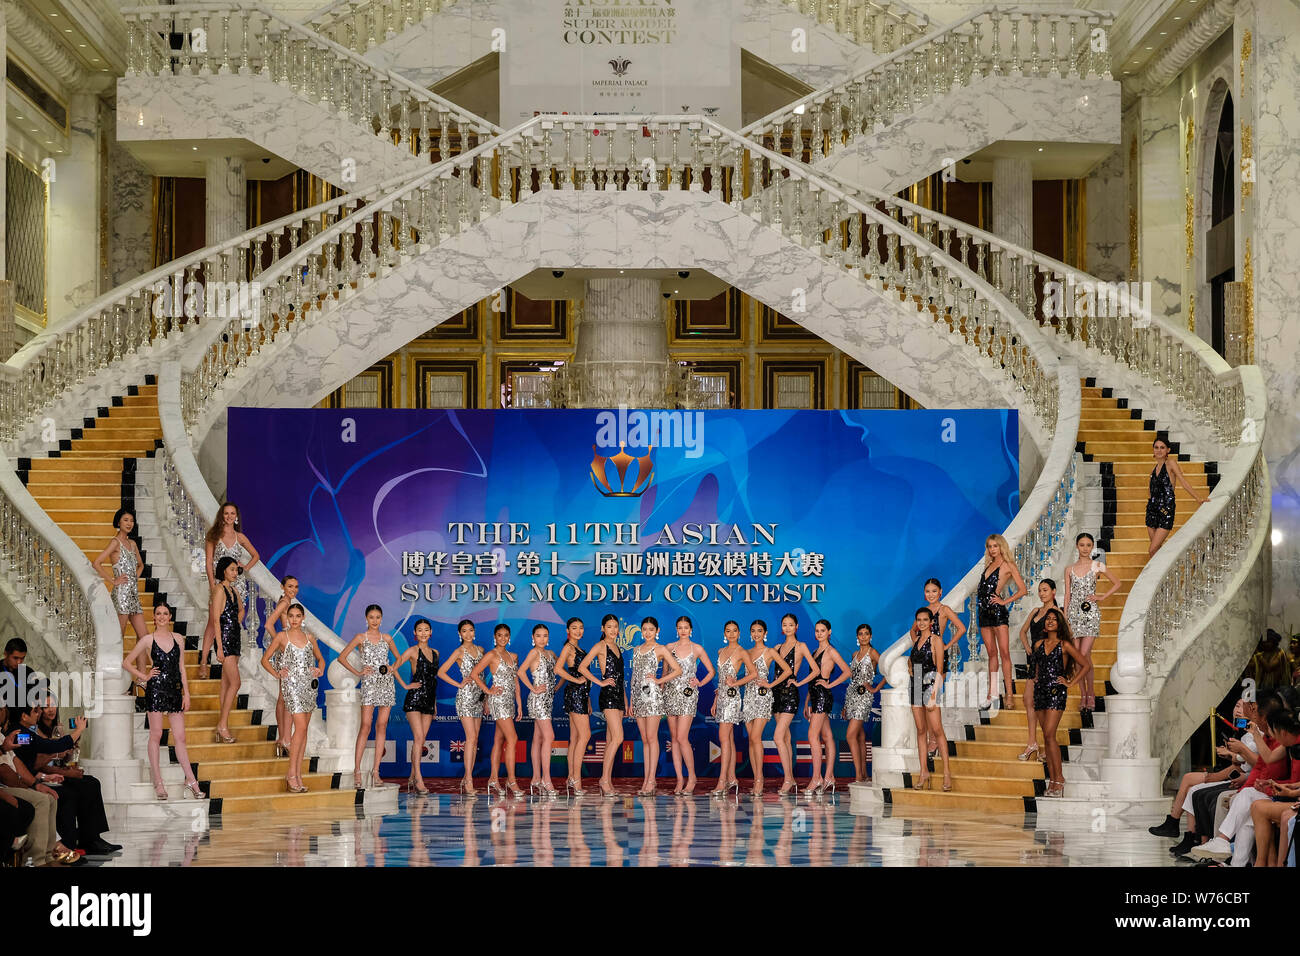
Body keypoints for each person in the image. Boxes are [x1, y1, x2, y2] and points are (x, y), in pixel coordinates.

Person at [7, 703, 119, 857]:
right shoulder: (20, 734)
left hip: (34, 776)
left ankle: (90, 838)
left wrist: (52, 772)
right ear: (23, 716)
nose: (38, 713)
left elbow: (31, 758)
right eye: (35, 710)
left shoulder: (24, 731)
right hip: (24, 781)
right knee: (67, 794)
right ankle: (67, 845)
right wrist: (78, 730)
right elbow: (48, 747)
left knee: (90, 783)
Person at [122, 602, 204, 801]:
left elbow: (182, 667)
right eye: (158, 613)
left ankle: (191, 780)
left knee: (180, 737)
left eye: (165, 613)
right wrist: (144, 676)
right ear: (154, 617)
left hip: (175, 691)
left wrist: (187, 693)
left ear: (170, 617)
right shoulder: (147, 640)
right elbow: (126, 662)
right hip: (156, 690)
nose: (161, 616)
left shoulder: (178, 638)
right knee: (156, 734)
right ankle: (158, 781)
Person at [338, 604, 405, 789]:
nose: (374, 620)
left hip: (386, 685)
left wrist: (393, 668)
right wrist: (358, 672)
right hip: (369, 685)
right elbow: (341, 657)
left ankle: (376, 771)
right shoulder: (361, 637)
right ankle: (357, 770)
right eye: (371, 617)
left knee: (382, 725)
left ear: (381, 619)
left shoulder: (387, 638)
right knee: (366, 726)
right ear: (366, 619)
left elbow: (399, 658)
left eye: (377, 617)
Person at [261, 603, 325, 793]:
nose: (295, 619)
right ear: (287, 618)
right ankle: (290, 774)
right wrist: (277, 673)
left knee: (303, 732)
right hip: (292, 687)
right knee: (302, 727)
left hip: (309, 687)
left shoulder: (309, 637)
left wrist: (319, 669)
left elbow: (320, 659)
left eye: (298, 616)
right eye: (292, 616)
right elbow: (265, 659)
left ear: (303, 618)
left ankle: (298, 774)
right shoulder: (282, 637)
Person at [1028, 609, 1089, 797]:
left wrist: (1070, 682)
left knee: (1049, 734)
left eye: (1054, 619)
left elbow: (1085, 665)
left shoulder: (1065, 645)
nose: (1050, 622)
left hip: (1056, 692)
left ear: (1059, 624)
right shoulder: (1038, 644)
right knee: (1046, 738)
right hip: (1040, 692)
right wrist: (1035, 679)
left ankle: (1059, 779)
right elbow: (1034, 668)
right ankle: (1053, 780)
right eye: (1048, 619)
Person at [1062, 533, 1120, 716]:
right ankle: (1084, 694)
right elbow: (1067, 595)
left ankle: (1091, 693)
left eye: (1088, 545)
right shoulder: (1069, 568)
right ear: (1077, 546)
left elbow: (1117, 583)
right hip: (1073, 615)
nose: (1085, 548)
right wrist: (1065, 617)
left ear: (1092, 547)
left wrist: (1101, 596)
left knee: (1083, 654)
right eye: (1082, 544)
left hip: (1091, 614)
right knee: (1079, 658)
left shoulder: (1097, 565)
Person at [627, 616, 682, 796]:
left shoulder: (660, 649)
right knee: (644, 740)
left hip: (652, 698)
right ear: (641, 631)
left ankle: (652, 779)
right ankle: (646, 779)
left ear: (657, 631)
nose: (647, 632)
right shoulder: (636, 649)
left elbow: (677, 670)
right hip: (638, 698)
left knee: (652, 738)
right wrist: (631, 701)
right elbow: (634, 676)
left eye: (651, 629)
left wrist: (659, 680)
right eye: (644, 629)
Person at [663, 615, 715, 795]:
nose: (683, 630)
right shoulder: (669, 648)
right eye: (680, 627)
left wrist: (699, 683)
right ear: (676, 629)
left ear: (691, 629)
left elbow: (711, 671)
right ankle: (679, 780)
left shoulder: (697, 648)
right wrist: (662, 690)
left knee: (682, 737)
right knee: (674, 738)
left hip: (687, 696)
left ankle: (692, 777)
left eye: (686, 627)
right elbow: (665, 672)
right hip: (670, 694)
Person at [470, 623, 524, 797]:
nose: (502, 638)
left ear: (509, 637)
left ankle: (493, 778)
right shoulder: (491, 655)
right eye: (499, 635)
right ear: (495, 637)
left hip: (509, 701)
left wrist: (519, 703)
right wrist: (488, 692)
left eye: (506, 635)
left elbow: (515, 681)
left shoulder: (513, 656)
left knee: (499, 740)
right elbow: (474, 674)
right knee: (513, 738)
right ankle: (511, 780)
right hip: (498, 700)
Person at [203, 502, 261, 660]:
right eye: (226, 513)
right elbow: (209, 562)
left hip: (238, 586)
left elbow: (256, 555)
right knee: (212, 622)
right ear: (222, 515)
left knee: (233, 622)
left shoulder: (240, 537)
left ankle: (228, 656)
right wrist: (212, 584)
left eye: (232, 513)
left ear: (236, 517)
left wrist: (245, 567)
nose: (229, 516)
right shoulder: (214, 535)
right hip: (219, 584)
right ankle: (204, 660)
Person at [976, 533, 1027, 709]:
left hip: (998, 613)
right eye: (989, 546)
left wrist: (1004, 601)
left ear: (1001, 547)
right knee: (991, 654)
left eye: (995, 546)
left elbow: (1022, 589)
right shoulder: (988, 565)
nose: (992, 549)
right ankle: (992, 694)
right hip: (983, 612)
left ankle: (1010, 695)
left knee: (1004, 653)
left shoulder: (1008, 565)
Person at [579, 614, 627, 798]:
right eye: (609, 627)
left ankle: (606, 779)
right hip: (608, 697)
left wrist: (626, 701)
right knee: (618, 737)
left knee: (610, 741)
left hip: (619, 698)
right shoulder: (600, 646)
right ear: (602, 628)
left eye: (616, 626)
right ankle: (603, 780)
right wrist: (600, 683)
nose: (613, 630)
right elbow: (583, 667)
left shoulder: (617, 647)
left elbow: (620, 678)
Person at [742, 620, 791, 795]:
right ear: (750, 633)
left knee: (756, 737)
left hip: (762, 697)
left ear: (765, 633)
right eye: (753, 631)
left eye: (760, 631)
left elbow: (787, 670)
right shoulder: (746, 652)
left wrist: (771, 685)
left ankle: (759, 781)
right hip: (747, 698)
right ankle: (756, 778)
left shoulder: (770, 651)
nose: (756, 634)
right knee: (751, 740)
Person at [770, 613, 817, 795]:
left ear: (796, 627)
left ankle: (788, 779)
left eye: (791, 624)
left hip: (790, 694)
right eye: (785, 624)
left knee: (778, 736)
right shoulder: (777, 647)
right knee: (786, 739)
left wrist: (798, 682)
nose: (787, 627)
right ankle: (791, 778)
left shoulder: (801, 646)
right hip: (775, 694)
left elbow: (815, 670)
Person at [437, 619, 484, 795]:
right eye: (464, 631)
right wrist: (459, 684)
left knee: (475, 739)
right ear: (460, 634)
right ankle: (469, 780)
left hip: (479, 698)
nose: (468, 634)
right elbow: (441, 672)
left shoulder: (481, 651)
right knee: (470, 738)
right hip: (465, 697)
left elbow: (484, 675)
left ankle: (466, 777)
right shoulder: (459, 651)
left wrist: (485, 698)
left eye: (471, 630)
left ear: (474, 631)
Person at [1016, 579, 1060, 761]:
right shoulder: (1035, 611)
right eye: (1040, 590)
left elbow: (1065, 636)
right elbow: (1022, 631)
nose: (1042, 593)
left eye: (1045, 590)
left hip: (1046, 662)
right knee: (1028, 700)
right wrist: (1027, 647)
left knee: (1041, 703)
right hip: (1033, 661)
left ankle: (1044, 745)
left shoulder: (1056, 613)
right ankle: (1033, 742)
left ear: (1053, 592)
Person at [805, 619, 850, 794]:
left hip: (823, 696)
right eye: (817, 631)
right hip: (815, 695)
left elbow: (847, 671)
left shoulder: (831, 651)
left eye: (822, 630)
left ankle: (817, 778)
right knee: (827, 735)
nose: (819, 634)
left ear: (829, 632)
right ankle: (829, 777)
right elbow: (812, 678)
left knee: (812, 734)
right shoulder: (815, 651)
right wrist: (808, 699)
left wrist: (829, 685)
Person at [908, 608, 951, 792]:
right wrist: (909, 667)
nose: (922, 623)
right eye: (919, 620)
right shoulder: (916, 640)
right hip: (915, 684)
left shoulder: (936, 641)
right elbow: (912, 662)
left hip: (930, 685)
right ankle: (923, 771)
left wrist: (934, 694)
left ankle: (947, 773)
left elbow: (940, 670)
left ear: (931, 622)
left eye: (925, 620)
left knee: (937, 730)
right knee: (920, 730)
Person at [923, 578, 967, 755]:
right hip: (923, 658)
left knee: (934, 699)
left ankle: (935, 739)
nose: (931, 594)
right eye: (928, 591)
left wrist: (947, 646)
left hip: (938, 657)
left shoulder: (944, 609)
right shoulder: (923, 612)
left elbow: (962, 628)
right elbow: (914, 631)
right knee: (925, 700)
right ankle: (930, 738)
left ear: (940, 592)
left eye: (934, 591)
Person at [395, 618, 438, 794]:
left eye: (426, 629)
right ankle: (419, 779)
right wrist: (406, 686)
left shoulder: (436, 653)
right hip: (414, 699)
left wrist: (434, 704)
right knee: (419, 737)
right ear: (415, 633)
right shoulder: (412, 651)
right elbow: (394, 667)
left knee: (420, 741)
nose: (423, 633)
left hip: (429, 701)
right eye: (419, 630)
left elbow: (433, 680)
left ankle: (412, 776)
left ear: (431, 632)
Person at [1145, 436, 1208, 558]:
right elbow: (1150, 491)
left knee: (1152, 550)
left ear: (1168, 450)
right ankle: (1162, 576)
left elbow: (1183, 482)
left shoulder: (1171, 463)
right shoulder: (1154, 469)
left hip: (1165, 511)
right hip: (1151, 511)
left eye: (1162, 448)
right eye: (1156, 447)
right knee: (1156, 551)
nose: (1159, 450)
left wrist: (1198, 498)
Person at [204, 556, 244, 743]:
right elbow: (215, 620)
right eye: (232, 569)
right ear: (224, 571)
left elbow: (241, 610)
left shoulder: (234, 590)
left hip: (235, 638)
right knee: (236, 683)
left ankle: (222, 724)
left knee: (227, 683)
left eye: (236, 569)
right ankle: (222, 724)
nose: (235, 572)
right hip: (225, 641)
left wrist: (236, 620)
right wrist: (219, 646)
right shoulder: (219, 590)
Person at [711, 621, 753, 796]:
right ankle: (732, 779)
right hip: (721, 698)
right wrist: (715, 701)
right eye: (728, 631)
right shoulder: (721, 651)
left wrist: (736, 683)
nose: (731, 634)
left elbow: (754, 674)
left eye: (734, 631)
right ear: (724, 633)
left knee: (724, 738)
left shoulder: (742, 652)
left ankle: (722, 781)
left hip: (732, 698)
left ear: (739, 633)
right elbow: (720, 680)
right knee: (728, 739)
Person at [93, 508, 147, 641]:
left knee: (144, 637)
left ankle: (140, 663)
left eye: (132, 521)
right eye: (126, 520)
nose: (129, 523)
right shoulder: (115, 543)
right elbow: (96, 563)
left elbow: (141, 565)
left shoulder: (133, 544)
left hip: (133, 595)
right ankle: (116, 663)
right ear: (119, 522)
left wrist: (133, 579)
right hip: (121, 595)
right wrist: (113, 581)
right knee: (119, 637)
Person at [262, 575, 301, 757]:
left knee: (283, 697)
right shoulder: (285, 602)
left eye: (296, 586)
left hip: (289, 654)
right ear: (282, 586)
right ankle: (285, 738)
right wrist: (281, 643)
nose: (293, 589)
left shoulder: (286, 601)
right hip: (288, 655)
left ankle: (283, 737)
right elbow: (269, 623)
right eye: (290, 586)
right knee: (287, 698)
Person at [842, 624, 885, 784]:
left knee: (850, 735)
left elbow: (888, 670)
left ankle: (858, 775)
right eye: (861, 634)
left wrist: (875, 688)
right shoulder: (854, 654)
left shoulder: (873, 653)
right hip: (851, 697)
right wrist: (846, 705)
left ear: (871, 636)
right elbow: (852, 681)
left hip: (864, 697)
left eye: (866, 634)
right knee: (859, 736)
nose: (864, 636)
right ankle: (864, 774)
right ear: (857, 637)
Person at [519, 623, 558, 796]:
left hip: (548, 699)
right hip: (538, 700)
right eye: (538, 635)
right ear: (533, 638)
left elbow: (560, 672)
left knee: (538, 738)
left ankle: (535, 778)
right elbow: (520, 672)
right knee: (549, 736)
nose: (542, 639)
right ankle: (546, 779)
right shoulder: (533, 652)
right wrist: (533, 689)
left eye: (545, 635)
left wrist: (554, 687)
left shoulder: (551, 654)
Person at [554, 617, 592, 795]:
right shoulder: (568, 647)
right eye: (574, 628)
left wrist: (588, 699)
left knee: (576, 738)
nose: (578, 631)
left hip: (582, 696)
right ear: (568, 630)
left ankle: (571, 777)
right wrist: (576, 680)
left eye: (581, 627)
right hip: (575, 694)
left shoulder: (580, 649)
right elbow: (558, 669)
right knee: (585, 735)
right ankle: (576, 780)